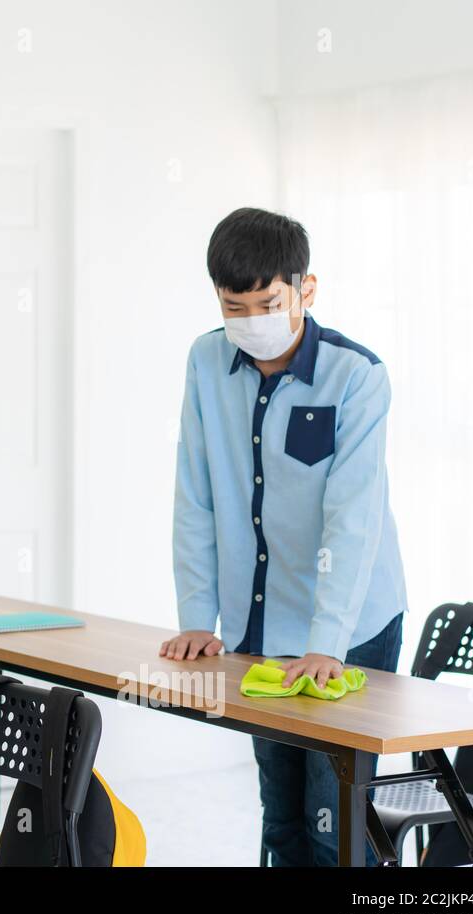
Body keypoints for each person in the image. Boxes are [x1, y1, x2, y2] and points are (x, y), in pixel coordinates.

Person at [162, 207, 406, 865]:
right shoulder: (207, 362)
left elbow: (352, 521)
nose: (249, 321)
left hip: (350, 625)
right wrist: (196, 618)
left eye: (266, 303)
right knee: (281, 819)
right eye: (232, 305)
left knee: (333, 823)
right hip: (262, 629)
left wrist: (328, 643)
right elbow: (196, 495)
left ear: (307, 289)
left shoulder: (356, 377)